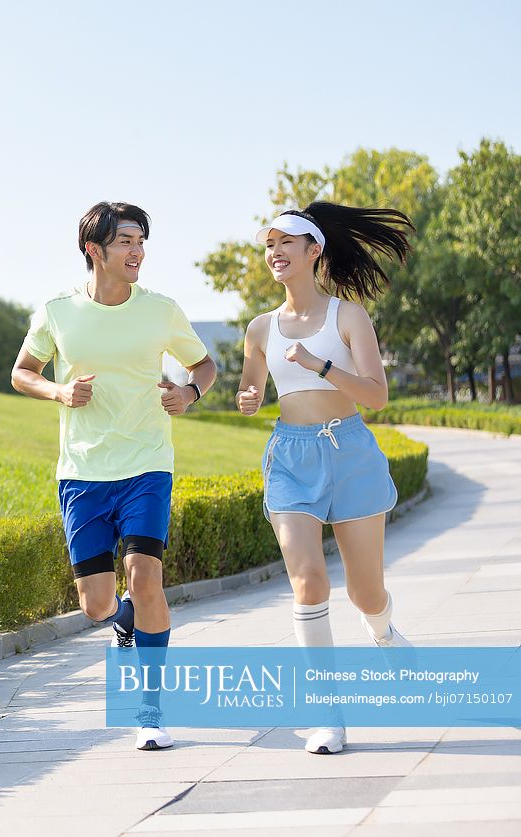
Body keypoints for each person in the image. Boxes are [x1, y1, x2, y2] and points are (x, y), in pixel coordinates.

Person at [12, 201, 216, 751]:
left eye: (142, 241)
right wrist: (59, 390)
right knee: (96, 605)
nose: (138, 251)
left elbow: (204, 364)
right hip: (82, 473)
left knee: (146, 576)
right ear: (93, 250)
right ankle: (124, 617)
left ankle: (149, 708)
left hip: (147, 463)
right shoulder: (57, 312)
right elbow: (22, 373)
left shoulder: (161, 310)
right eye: (126, 241)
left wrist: (189, 393)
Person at [237, 201, 415, 755]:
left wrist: (321, 366)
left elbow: (378, 397)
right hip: (291, 460)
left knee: (365, 593)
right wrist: (248, 397)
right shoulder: (260, 328)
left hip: (352, 452)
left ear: (314, 250)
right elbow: (253, 390)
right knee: (308, 582)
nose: (274, 251)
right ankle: (327, 714)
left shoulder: (349, 317)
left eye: (285, 241)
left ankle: (383, 630)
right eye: (268, 244)